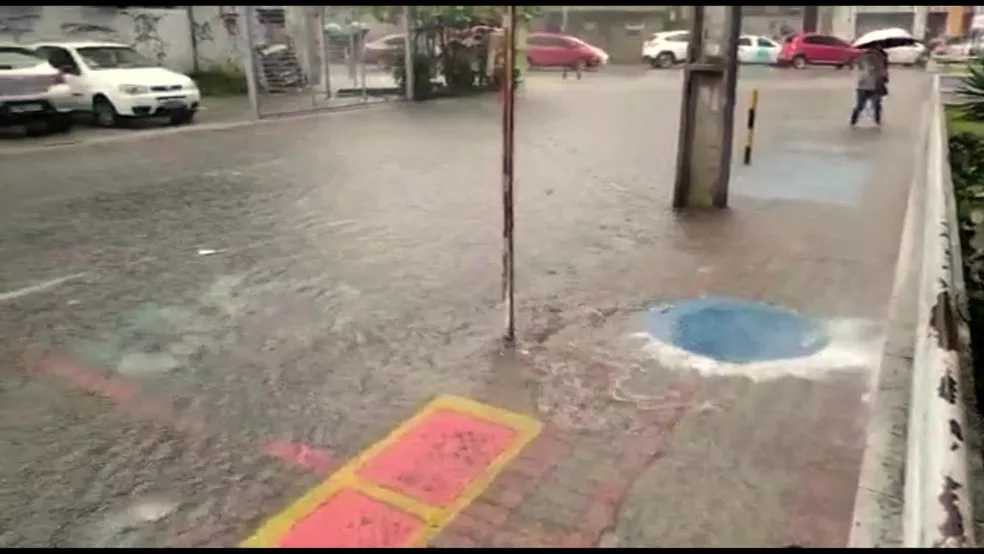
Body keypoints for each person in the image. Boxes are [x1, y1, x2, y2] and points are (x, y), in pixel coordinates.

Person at [850, 45, 889, 128]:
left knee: (872, 105)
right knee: (870, 105)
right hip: (867, 86)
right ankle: (876, 121)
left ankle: (855, 121)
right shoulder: (864, 59)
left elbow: (884, 75)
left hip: (870, 86)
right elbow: (859, 70)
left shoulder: (880, 61)